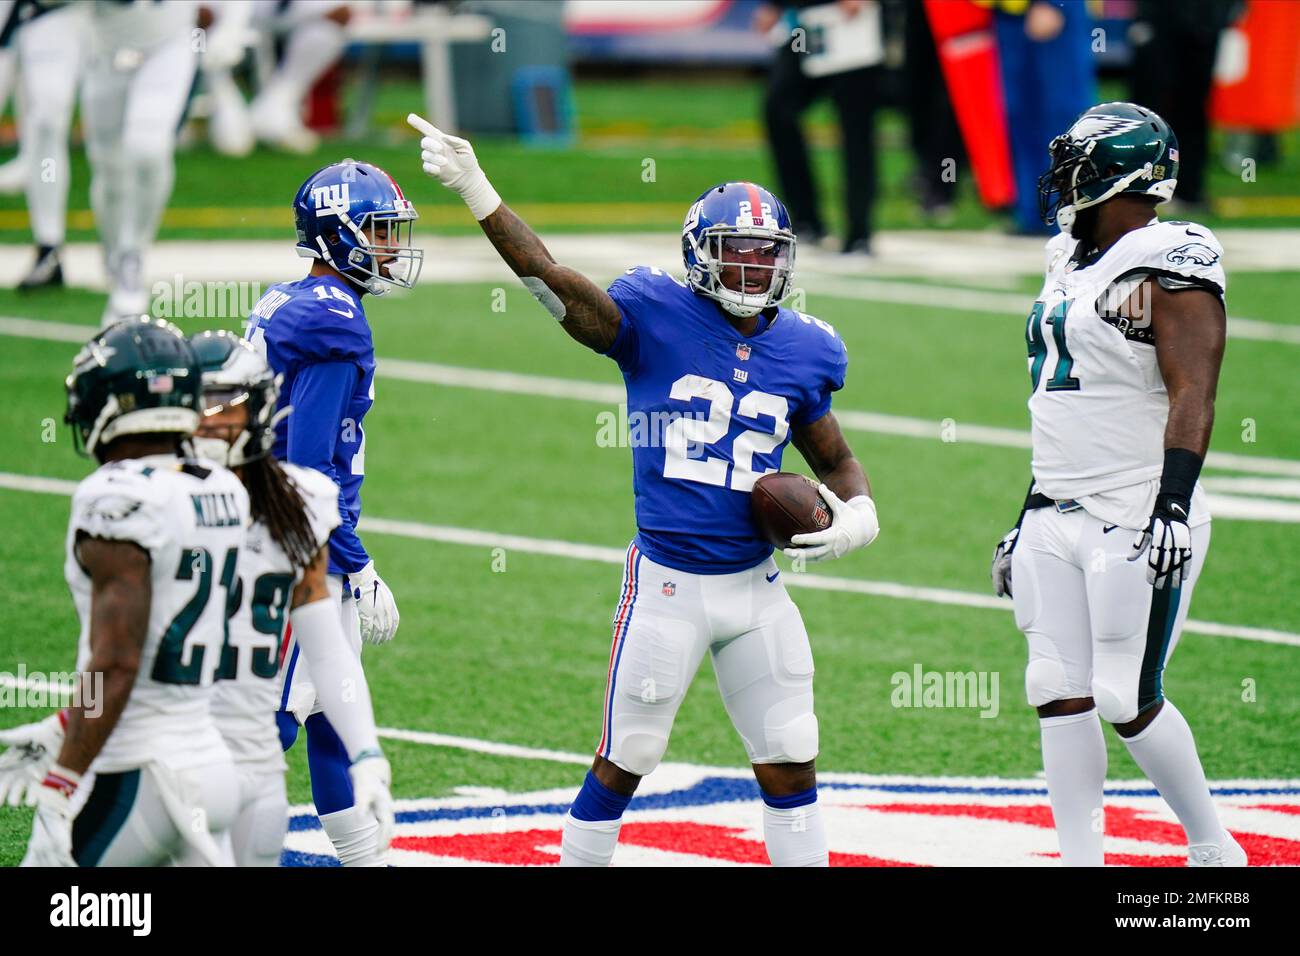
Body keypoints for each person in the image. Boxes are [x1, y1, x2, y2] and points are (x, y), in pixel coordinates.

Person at [410, 113, 881, 867]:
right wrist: (478, 189)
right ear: (701, 255)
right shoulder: (653, 312)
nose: (754, 272)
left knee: (792, 753)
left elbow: (836, 455)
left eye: (768, 258)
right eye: (738, 256)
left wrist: (859, 515)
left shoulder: (809, 347)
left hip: (757, 588)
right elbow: (551, 282)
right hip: (669, 584)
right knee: (626, 756)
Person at [990, 101, 1244, 866]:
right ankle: (1080, 860)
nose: (1063, 177)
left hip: (1135, 507)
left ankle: (1211, 846)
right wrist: (1026, 508)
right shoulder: (1067, 257)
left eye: (1078, 163)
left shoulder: (1172, 255)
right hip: (1054, 505)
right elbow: (1060, 405)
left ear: (1122, 175)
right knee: (1053, 685)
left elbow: (1194, 387)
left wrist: (1173, 503)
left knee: (1124, 696)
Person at [6, 317, 245, 866]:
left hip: (142, 774)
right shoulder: (224, 489)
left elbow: (118, 661)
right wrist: (63, 724)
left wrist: (61, 782)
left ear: (116, 405)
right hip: (212, 765)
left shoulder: (115, 498)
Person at [243, 158, 418, 865]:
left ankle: (364, 860)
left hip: (278, 525)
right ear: (335, 234)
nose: (391, 248)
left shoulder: (290, 298)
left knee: (328, 719)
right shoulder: (334, 319)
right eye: (378, 232)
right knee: (270, 723)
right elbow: (308, 471)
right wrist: (356, 563)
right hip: (290, 543)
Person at [190, 330, 394, 866]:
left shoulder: (298, 505)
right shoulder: (145, 502)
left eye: (223, 403)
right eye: (199, 402)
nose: (208, 419)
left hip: (244, 769)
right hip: (171, 750)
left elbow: (328, 654)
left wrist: (368, 752)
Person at [82, 0, 198, 325]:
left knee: (148, 147)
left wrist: (230, 27)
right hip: (105, 49)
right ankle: (114, 253)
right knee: (109, 169)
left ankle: (132, 255)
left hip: (168, 43)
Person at [755, 0, 883, 254]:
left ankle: (859, 232)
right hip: (807, 21)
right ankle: (806, 220)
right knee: (778, 109)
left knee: (856, 126)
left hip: (849, 22)